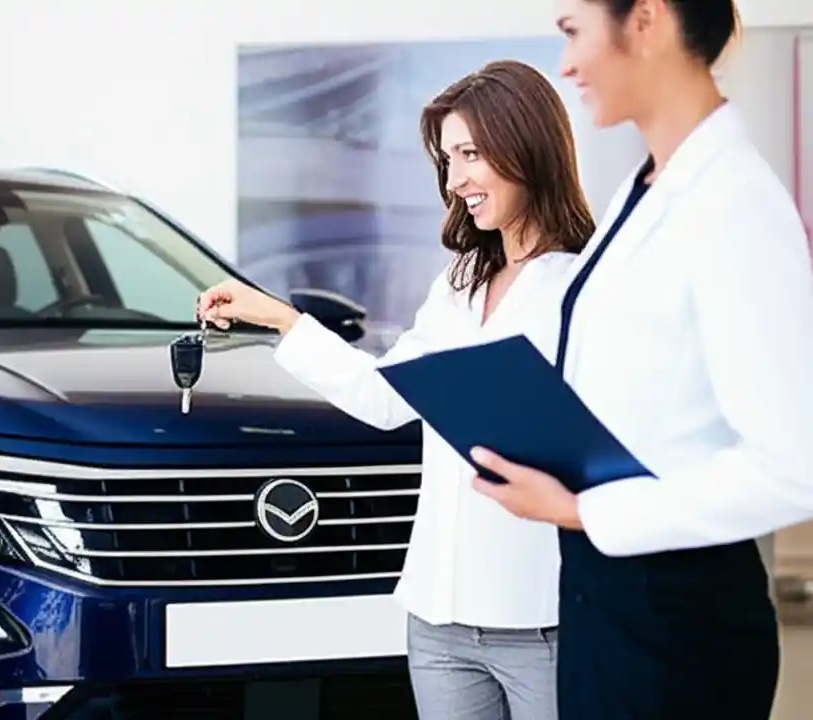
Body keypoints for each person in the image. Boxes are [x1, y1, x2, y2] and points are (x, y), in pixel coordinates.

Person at [198, 60, 595, 719]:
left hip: (544, 615)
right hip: (438, 617)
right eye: (447, 159)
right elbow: (384, 399)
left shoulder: (587, 284)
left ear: (529, 144)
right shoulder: (460, 281)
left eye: (471, 153)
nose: (456, 178)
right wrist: (281, 319)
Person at [458, 1, 813, 717]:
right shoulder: (643, 190)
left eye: (572, 32)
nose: (566, 64)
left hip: (679, 627)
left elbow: (793, 469)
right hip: (608, 606)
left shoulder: (735, 202)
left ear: (646, 21)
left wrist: (587, 510)